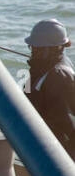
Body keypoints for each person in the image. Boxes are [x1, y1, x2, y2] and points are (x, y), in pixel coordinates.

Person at [24, 19, 75, 159]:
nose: (33, 52)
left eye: (37, 48)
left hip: (56, 151)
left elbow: (64, 125)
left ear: (55, 48)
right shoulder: (40, 68)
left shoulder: (58, 76)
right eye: (32, 47)